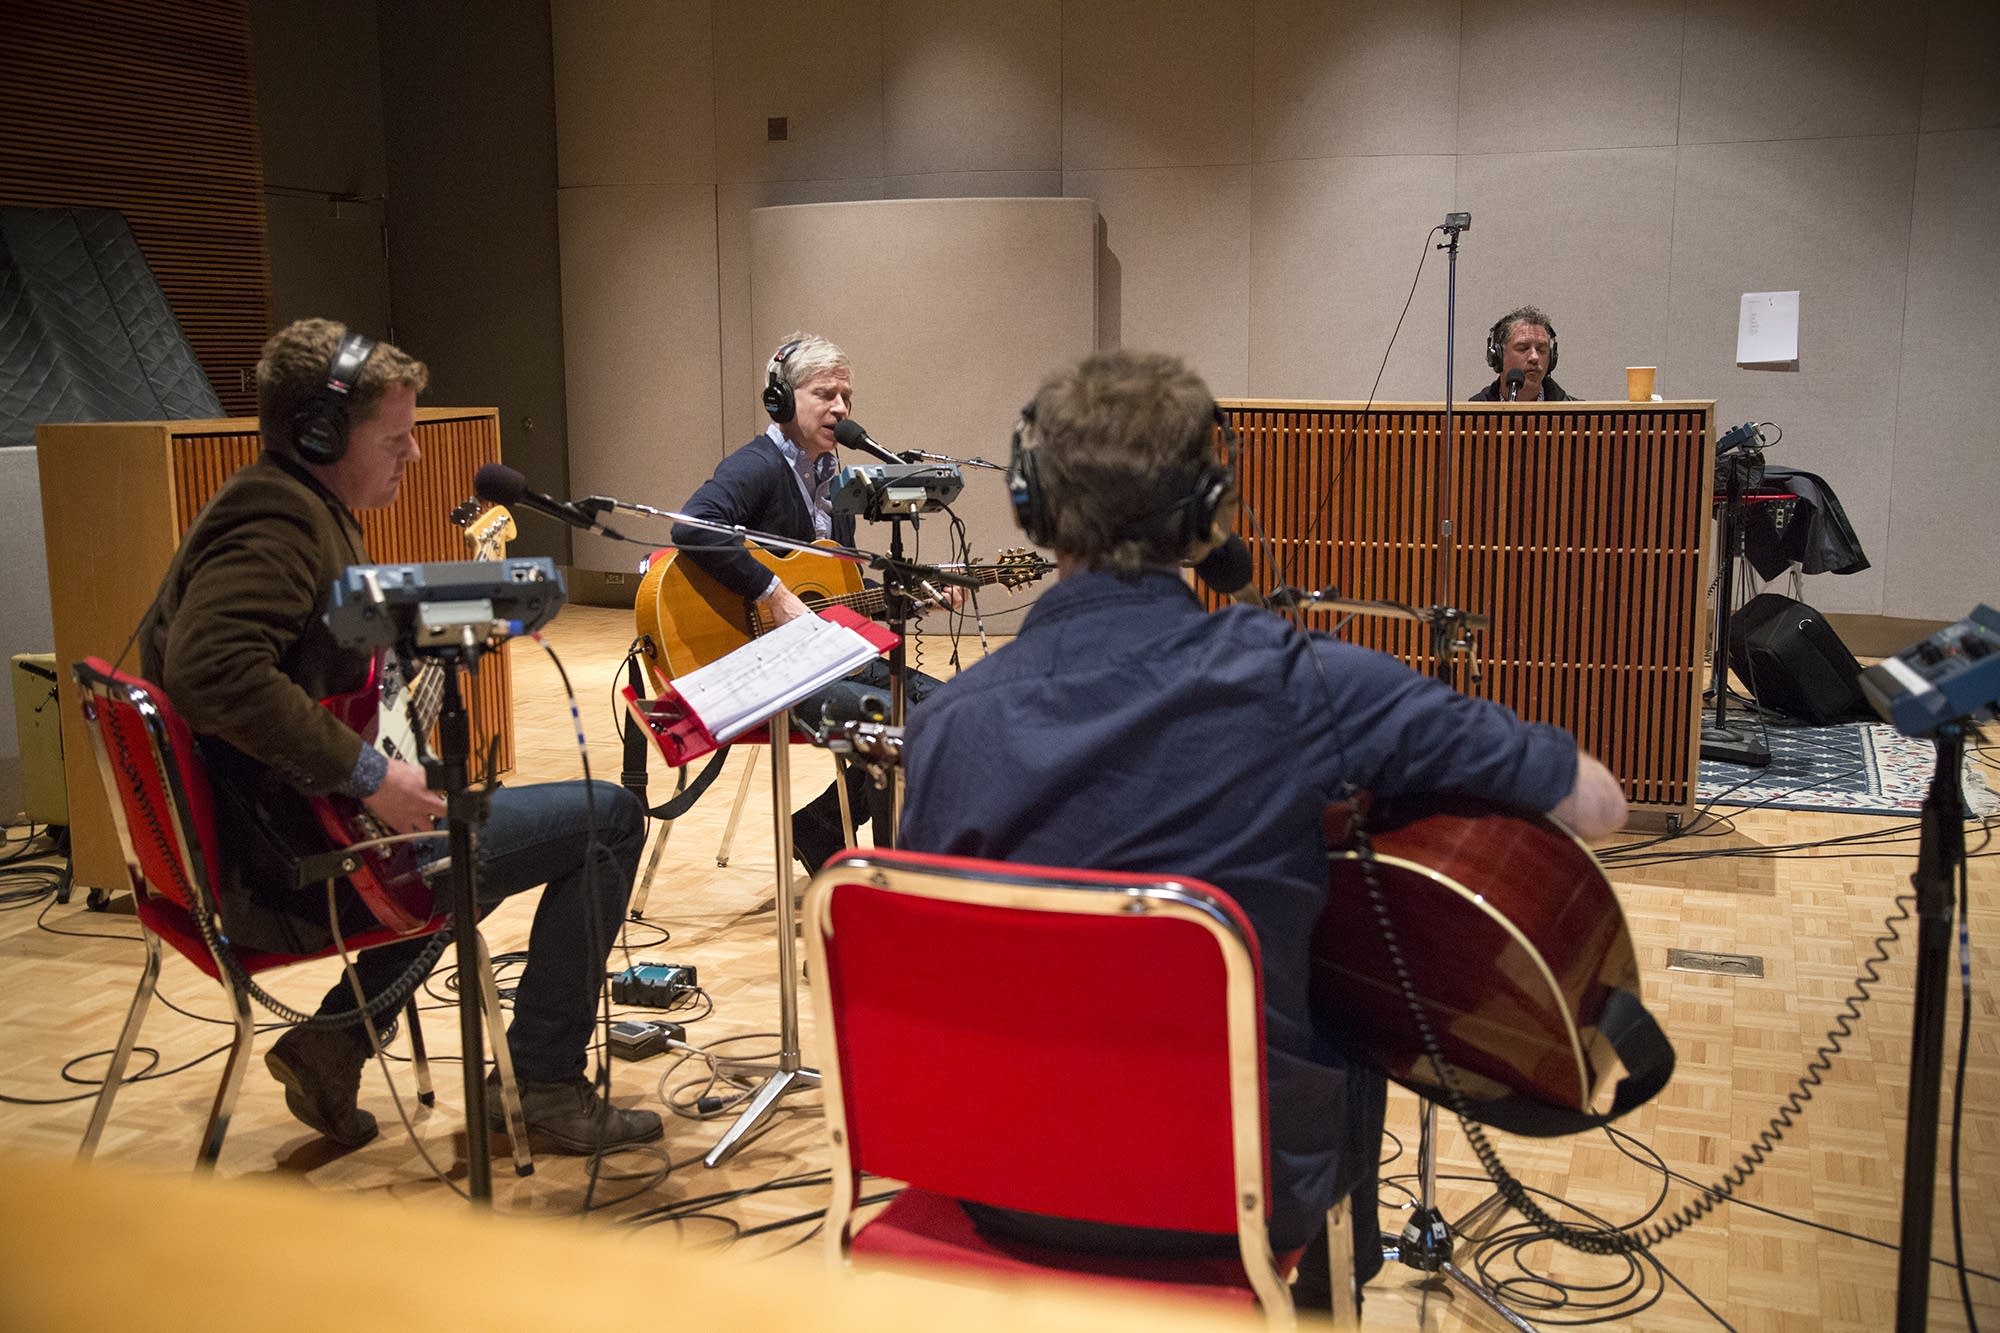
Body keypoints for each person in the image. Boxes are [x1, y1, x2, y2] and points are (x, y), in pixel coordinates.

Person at [898, 350, 1627, 1304]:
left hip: (998, 1177)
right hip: (1230, 1195)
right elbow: (1598, 803)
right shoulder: (1303, 680)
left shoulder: (945, 724)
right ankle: (1325, 1296)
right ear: (1208, 514)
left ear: (1031, 505)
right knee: (1332, 1001)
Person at [140, 318, 661, 1154]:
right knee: (609, 818)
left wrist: (419, 624)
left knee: (470, 822)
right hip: (299, 868)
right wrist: (373, 776)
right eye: (395, 439)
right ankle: (542, 1083)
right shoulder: (276, 521)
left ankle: (337, 1042)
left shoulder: (289, 500)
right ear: (320, 434)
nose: (414, 455)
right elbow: (213, 669)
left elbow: (305, 636)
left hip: (280, 838)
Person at [669, 332, 954, 870]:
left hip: (829, 655)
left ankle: (821, 824)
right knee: (897, 728)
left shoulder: (836, 479)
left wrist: (912, 599)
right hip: (767, 666)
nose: (840, 408)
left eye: (846, 396)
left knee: (952, 712)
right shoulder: (756, 466)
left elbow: (837, 595)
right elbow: (692, 526)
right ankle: (895, 878)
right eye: (825, 394)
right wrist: (773, 593)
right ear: (781, 400)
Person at [1471, 305, 1573, 401]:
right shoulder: (1472, 411)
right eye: (1523, 348)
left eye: (1541, 349)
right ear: (1498, 356)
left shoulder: (1576, 411)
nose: (1534, 357)